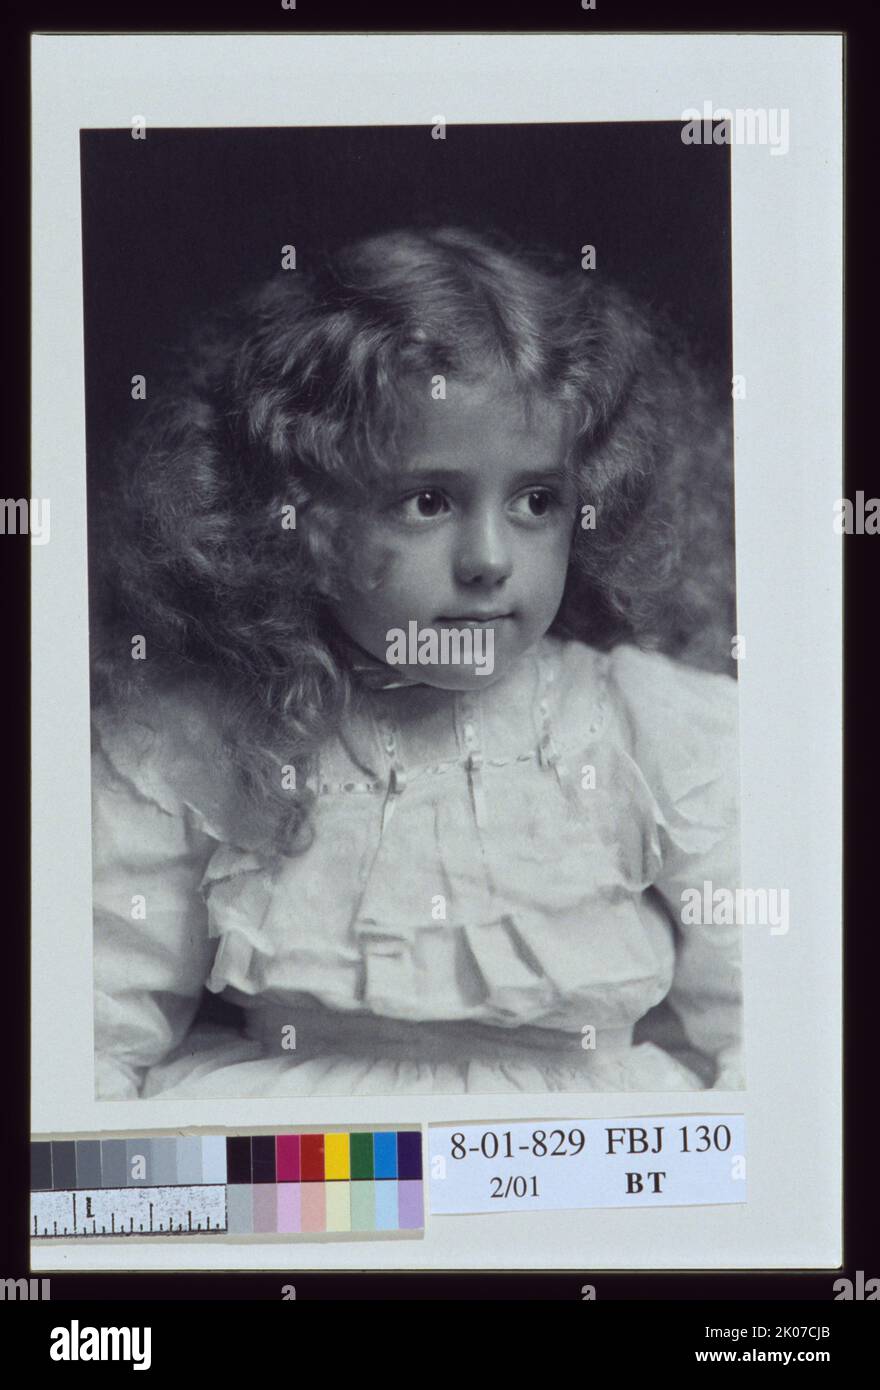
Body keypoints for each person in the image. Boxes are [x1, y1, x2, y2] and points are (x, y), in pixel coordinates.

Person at [90, 226, 743, 1099]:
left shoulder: (642, 730)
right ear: (306, 521)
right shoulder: (211, 735)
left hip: (573, 1170)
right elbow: (92, 1022)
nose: (489, 559)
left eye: (536, 501)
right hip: (311, 1169)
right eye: (429, 500)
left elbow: (769, 1016)